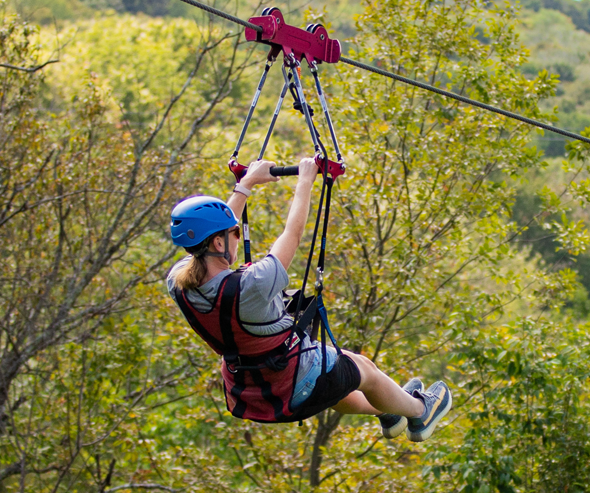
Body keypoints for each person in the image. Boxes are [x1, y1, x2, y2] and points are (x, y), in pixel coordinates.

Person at [165, 157, 452, 441]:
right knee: (363, 368)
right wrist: (306, 178)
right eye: (235, 232)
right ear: (218, 243)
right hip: (293, 380)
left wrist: (247, 183)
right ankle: (420, 410)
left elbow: (218, 230)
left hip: (251, 392)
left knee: (336, 382)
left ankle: (389, 410)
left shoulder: (178, 282)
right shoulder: (254, 285)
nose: (238, 237)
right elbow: (293, 232)